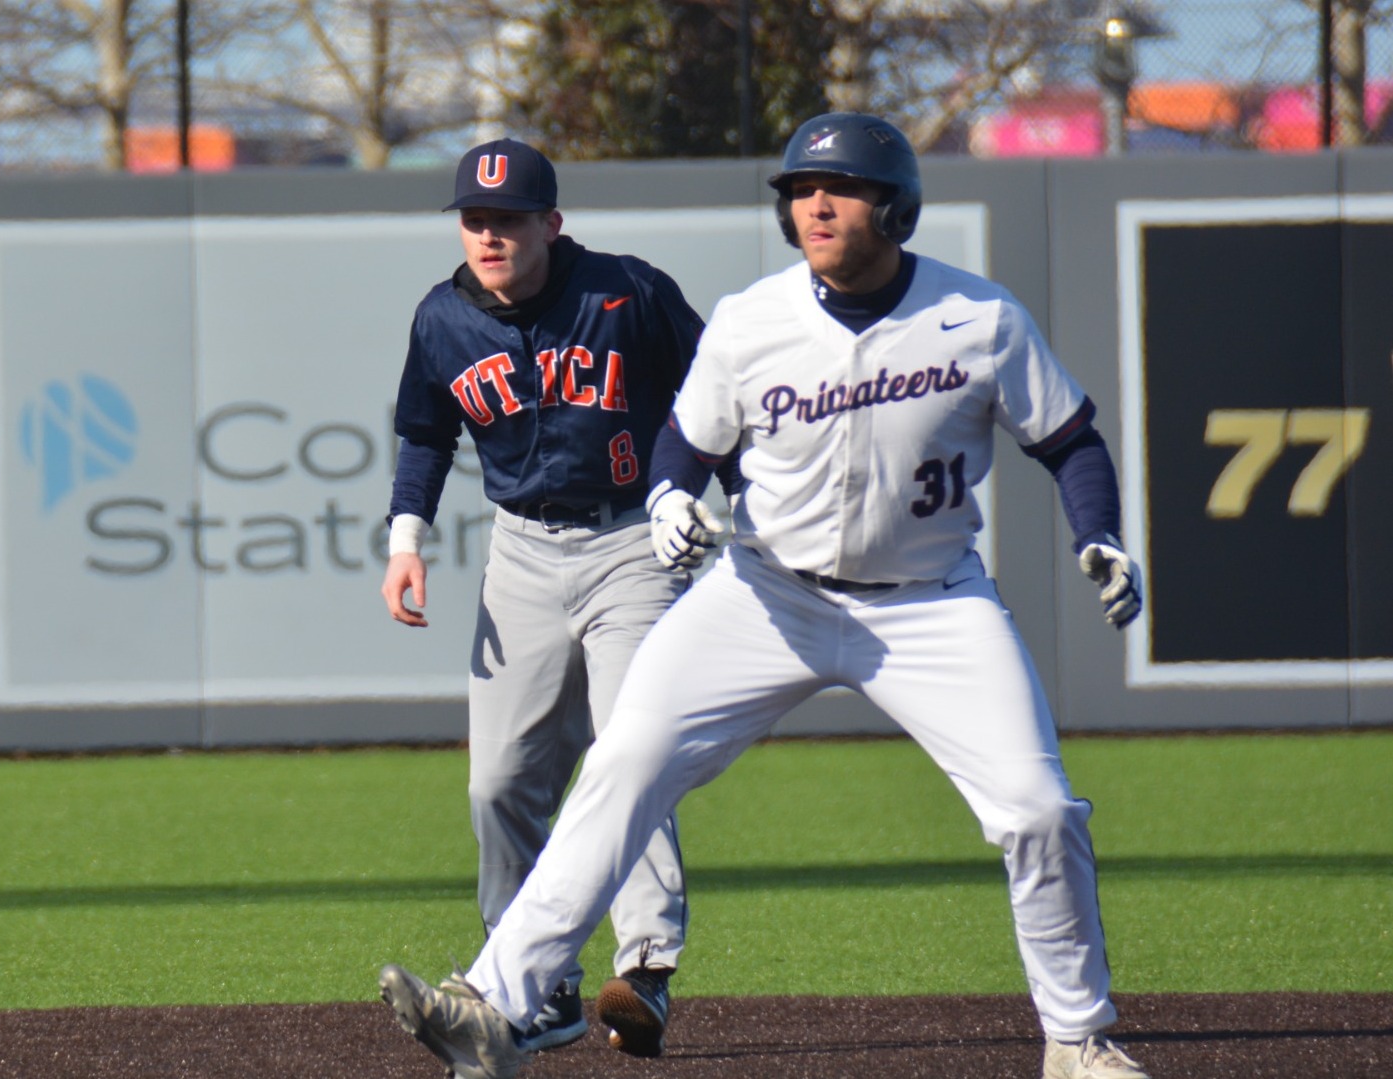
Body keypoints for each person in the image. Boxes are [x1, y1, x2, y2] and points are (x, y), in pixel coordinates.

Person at [378, 113, 1153, 1079]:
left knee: (1038, 810)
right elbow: (688, 440)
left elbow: (1069, 438)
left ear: (896, 206)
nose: (813, 205)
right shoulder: (754, 318)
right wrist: (668, 494)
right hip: (765, 593)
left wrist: (1098, 531)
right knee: (625, 760)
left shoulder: (979, 319)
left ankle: (1077, 1036)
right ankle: (496, 1004)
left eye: (838, 189)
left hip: (929, 605)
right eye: (797, 191)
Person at [380, 137, 735, 1057]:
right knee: (497, 781)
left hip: (633, 542)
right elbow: (423, 433)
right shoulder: (442, 319)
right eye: (474, 219)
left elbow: (717, 396)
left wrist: (725, 498)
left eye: (507, 219)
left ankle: (648, 968)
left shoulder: (623, 291)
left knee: (633, 746)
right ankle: (532, 987)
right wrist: (405, 539)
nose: (489, 235)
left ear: (551, 222)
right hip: (522, 552)